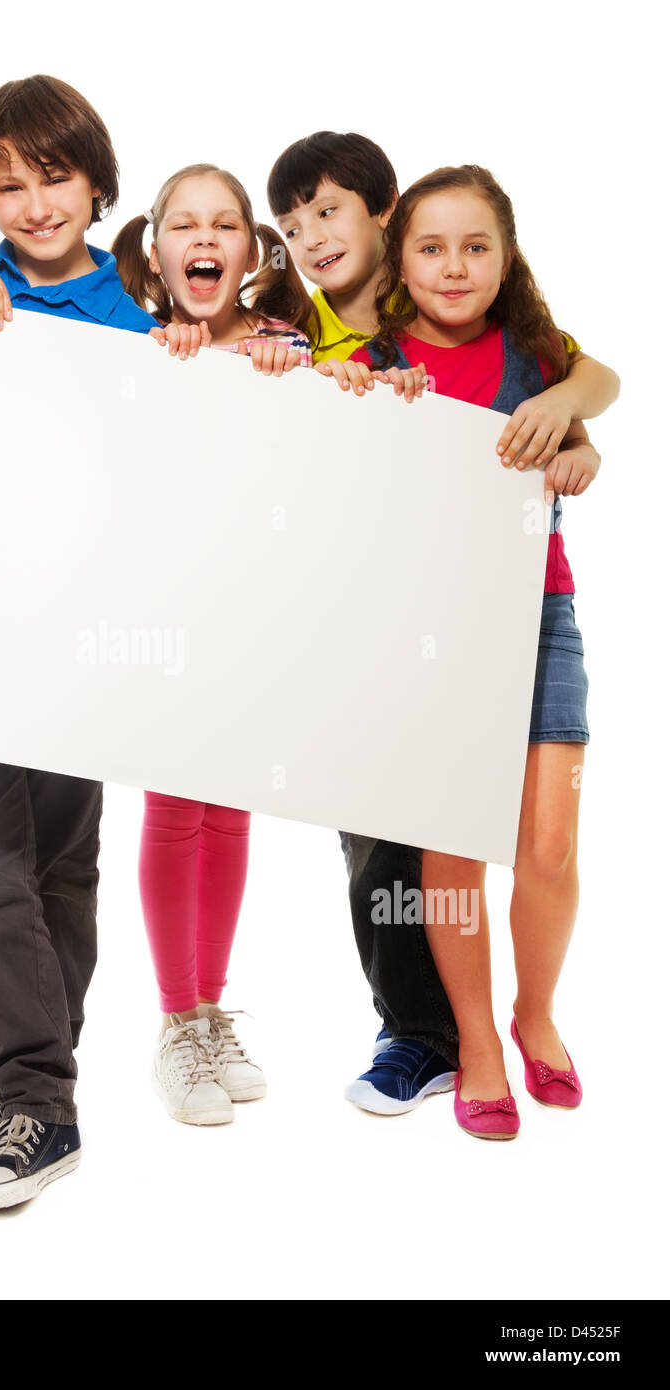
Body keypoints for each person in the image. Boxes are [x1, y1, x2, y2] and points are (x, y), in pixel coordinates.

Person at [267, 132, 618, 1116]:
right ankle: (468, 1045)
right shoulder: (365, 357)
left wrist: (571, 438)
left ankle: (532, 1013)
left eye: (474, 248)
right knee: (442, 841)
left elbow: (595, 394)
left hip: (537, 613)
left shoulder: (531, 354)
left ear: (505, 257)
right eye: (432, 249)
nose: (452, 267)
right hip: (418, 627)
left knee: (547, 844)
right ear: (402, 256)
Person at [0, 75, 158, 1210]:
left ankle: (22, 1073)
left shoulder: (141, 307)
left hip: (87, 630)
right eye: (7, 184)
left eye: (52, 176)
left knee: (61, 861)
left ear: (96, 183)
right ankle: (38, 1098)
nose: (31, 203)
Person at [111, 164, 311, 1124]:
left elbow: (331, 452)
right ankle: (172, 1025)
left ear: (249, 251)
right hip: (163, 606)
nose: (204, 238)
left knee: (229, 808)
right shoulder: (136, 344)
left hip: (256, 611)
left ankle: (210, 1011)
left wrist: (308, 369)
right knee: (172, 801)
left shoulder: (286, 345)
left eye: (224, 224)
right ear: (156, 252)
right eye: (183, 225)